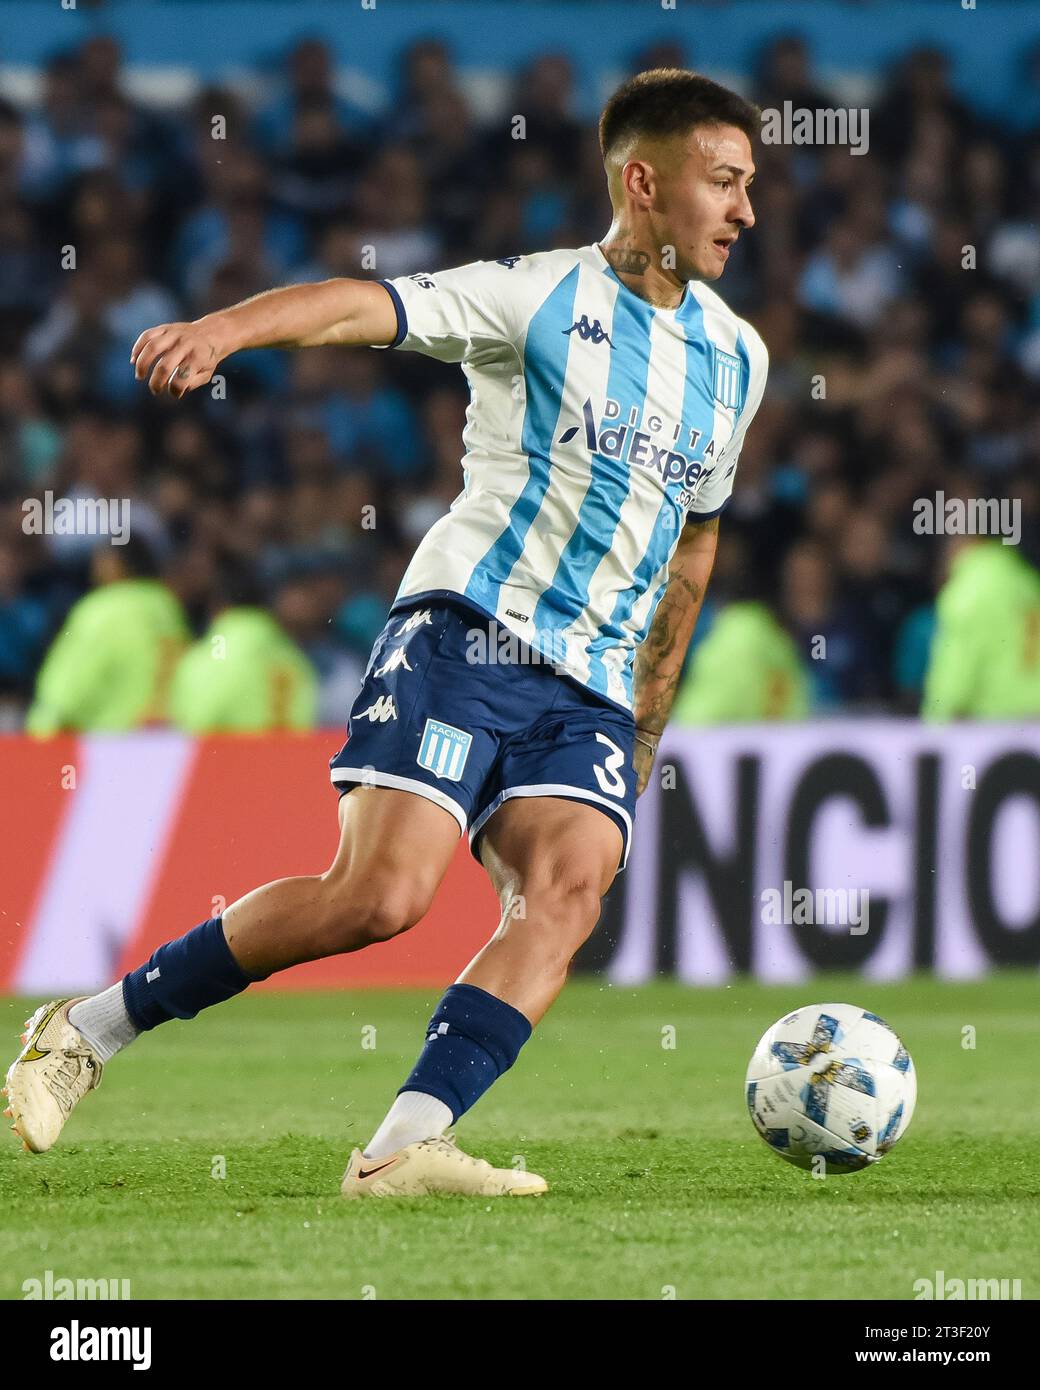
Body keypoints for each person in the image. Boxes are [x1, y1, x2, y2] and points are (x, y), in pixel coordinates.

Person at [5, 70, 768, 1197]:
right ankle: (85, 1028)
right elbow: (366, 308)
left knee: (567, 889)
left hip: (594, 684)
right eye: (723, 182)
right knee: (380, 898)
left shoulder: (739, 358)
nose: (745, 211)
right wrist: (225, 331)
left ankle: (403, 1144)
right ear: (643, 182)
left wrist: (643, 725)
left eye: (750, 185)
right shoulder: (537, 296)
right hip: (469, 623)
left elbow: (693, 549)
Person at [25, 537, 188, 734]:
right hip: (172, 748)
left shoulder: (103, 610)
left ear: (114, 563)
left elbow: (65, 694)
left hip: (110, 749)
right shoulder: (168, 608)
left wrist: (39, 732)